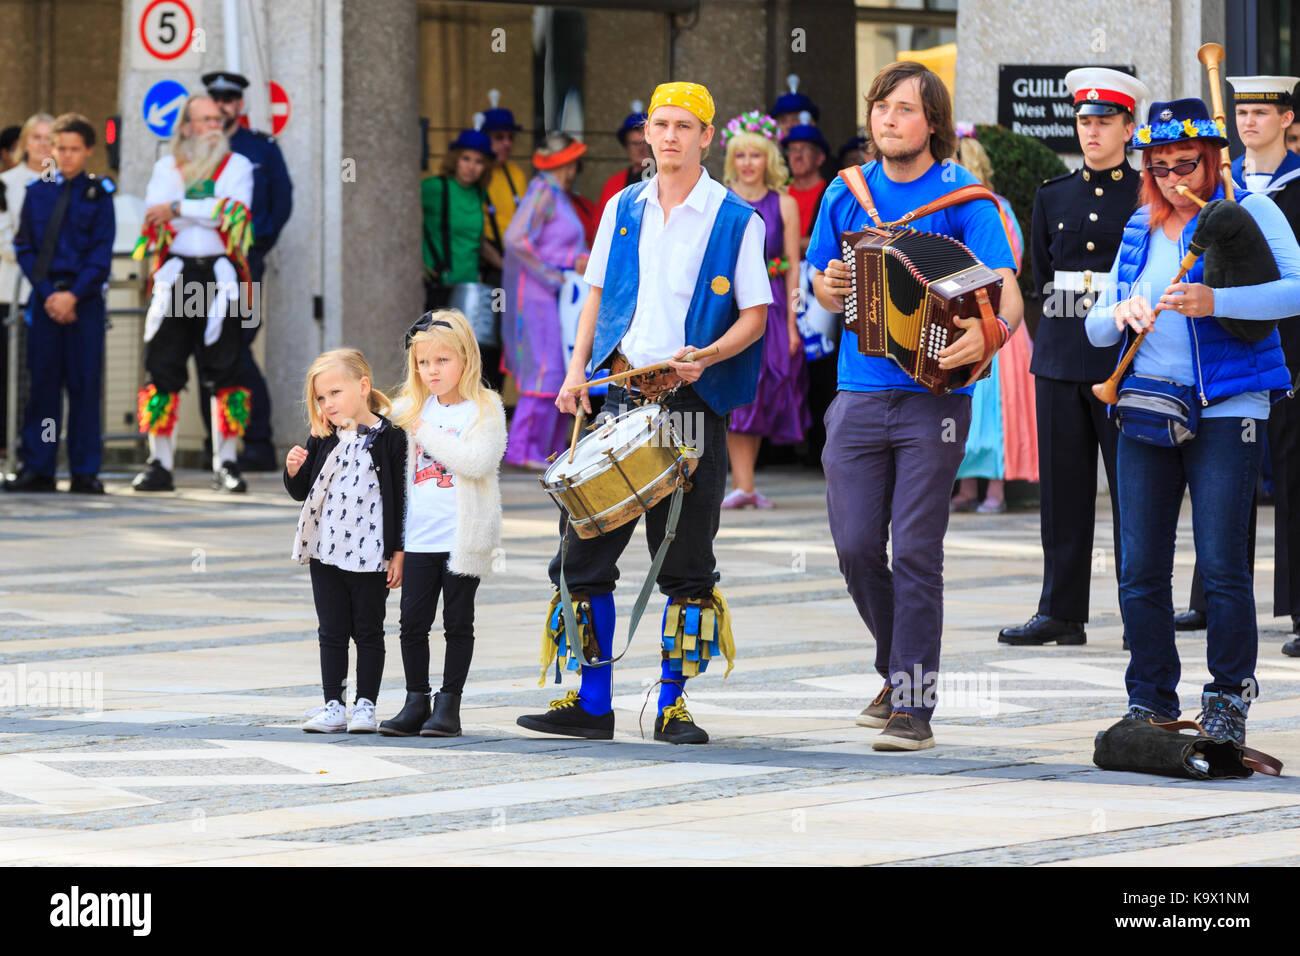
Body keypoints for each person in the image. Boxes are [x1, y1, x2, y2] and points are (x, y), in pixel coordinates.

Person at [516, 81, 770, 744]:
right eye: (661, 124)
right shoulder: (623, 206)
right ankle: (592, 701)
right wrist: (576, 374)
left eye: (685, 125)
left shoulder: (737, 218)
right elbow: (597, 292)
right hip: (622, 393)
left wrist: (708, 355)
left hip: (689, 402)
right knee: (584, 547)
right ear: (648, 133)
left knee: (685, 557)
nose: (671, 136)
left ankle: (672, 705)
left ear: (706, 136)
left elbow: (756, 316)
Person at [810, 60, 1022, 750]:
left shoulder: (968, 199)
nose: (888, 119)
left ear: (932, 122)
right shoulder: (845, 194)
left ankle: (913, 706)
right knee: (854, 546)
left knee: (920, 550)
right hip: (858, 391)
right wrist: (830, 284)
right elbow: (821, 288)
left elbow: (1006, 293)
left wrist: (990, 334)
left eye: (904, 109)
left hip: (936, 398)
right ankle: (895, 667)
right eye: (881, 107)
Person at [1084, 97, 1300, 744]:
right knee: (1140, 567)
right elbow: (1095, 326)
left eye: (1188, 164)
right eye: (1160, 165)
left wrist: (1216, 299)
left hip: (1227, 408)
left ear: (1210, 159)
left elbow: (1296, 288)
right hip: (1147, 405)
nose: (1175, 177)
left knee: (1224, 564)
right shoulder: (1137, 228)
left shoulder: (1250, 212)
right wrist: (1119, 313)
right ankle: (1149, 698)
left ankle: (1228, 699)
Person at [998, 68, 1149, 647]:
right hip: (1060, 359)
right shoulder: (1052, 194)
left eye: (1104, 122)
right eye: (1085, 121)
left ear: (1127, 127)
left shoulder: (1144, 194)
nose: (1091, 131)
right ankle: (1061, 610)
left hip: (1124, 363)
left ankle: (1140, 612)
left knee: (1135, 494)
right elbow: (1041, 279)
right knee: (1062, 494)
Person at [1176, 75, 1300, 652]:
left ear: (1287, 119)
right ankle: (1211, 598)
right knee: (1225, 482)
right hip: (1228, 346)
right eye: (1242, 111)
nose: (1249, 121)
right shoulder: (1220, 183)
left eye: (1261, 112)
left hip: (1292, 343)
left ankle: (1299, 608)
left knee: (1295, 477)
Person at [379, 310, 506, 737]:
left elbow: (478, 461)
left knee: (457, 622)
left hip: (462, 539)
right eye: (422, 363)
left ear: (466, 358)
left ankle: (448, 706)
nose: (431, 371)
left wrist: (422, 431)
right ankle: (416, 700)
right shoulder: (411, 408)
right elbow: (373, 429)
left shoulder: (484, 408)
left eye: (442, 361)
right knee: (411, 623)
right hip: (417, 538)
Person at [131, 95, 255, 494]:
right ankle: (159, 464)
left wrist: (179, 207)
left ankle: (228, 463)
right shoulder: (166, 166)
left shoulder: (237, 165)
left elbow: (234, 211)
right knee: (162, 366)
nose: (214, 126)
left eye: (218, 119)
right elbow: (153, 212)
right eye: (204, 120)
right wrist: (199, 207)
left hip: (222, 275)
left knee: (228, 369)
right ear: (185, 127)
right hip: (177, 275)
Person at [285, 348, 407, 734]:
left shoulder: (391, 438)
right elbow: (303, 491)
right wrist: (293, 472)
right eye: (321, 398)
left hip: (371, 555)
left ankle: (365, 706)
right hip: (326, 551)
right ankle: (333, 705)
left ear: (363, 386)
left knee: (369, 629)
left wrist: (399, 551)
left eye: (335, 393)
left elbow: (401, 498)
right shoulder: (322, 437)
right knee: (331, 630)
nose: (328, 403)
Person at [3, 114, 114, 494]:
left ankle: (84, 470)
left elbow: (101, 253)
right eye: (60, 148)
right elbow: (25, 247)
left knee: (84, 386)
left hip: (83, 301)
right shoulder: (38, 192)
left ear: (88, 151)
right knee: (45, 386)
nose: (65, 156)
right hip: (47, 300)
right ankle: (41, 466)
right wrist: (50, 293)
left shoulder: (99, 195)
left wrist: (73, 295)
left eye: (73, 149)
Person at [202, 70, 295, 473]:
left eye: (229, 99)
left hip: (243, 267)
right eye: (215, 99)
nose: (222, 106)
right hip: (200, 264)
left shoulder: (261, 149)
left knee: (237, 345)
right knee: (205, 348)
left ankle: (255, 440)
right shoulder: (199, 149)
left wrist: (255, 245)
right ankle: (217, 441)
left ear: (240, 104)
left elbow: (281, 202)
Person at [720, 110, 807, 508]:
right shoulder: (719, 200)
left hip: (769, 307)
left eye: (756, 155)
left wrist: (792, 324)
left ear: (768, 159)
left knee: (761, 391)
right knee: (736, 389)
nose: (748, 163)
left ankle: (745, 483)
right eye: (741, 156)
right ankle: (742, 484)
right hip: (728, 305)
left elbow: (792, 270)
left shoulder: (785, 204)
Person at [950, 127, 1037, 514]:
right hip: (959, 316)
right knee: (966, 404)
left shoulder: (993, 207)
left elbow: (1010, 264)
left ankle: (997, 489)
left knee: (994, 408)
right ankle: (967, 488)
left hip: (995, 314)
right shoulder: (943, 207)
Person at [501, 132, 590, 469]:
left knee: (557, 371)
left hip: (555, 294)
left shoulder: (556, 194)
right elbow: (516, 239)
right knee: (544, 369)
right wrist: (553, 272)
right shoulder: (543, 191)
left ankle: (549, 450)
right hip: (537, 293)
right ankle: (523, 450)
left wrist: (572, 260)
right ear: (568, 161)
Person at [423, 127, 502, 389]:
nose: (471, 167)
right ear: (455, 159)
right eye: (466, 159)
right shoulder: (435, 187)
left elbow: (477, 241)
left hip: (470, 292)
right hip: (440, 288)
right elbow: (400, 220)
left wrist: (509, 268)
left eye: (479, 162)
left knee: (469, 362)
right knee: (438, 359)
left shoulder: (479, 194)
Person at [0, 114, 55, 452]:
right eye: (36, 138)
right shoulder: (6, 183)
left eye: (50, 139)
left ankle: (42, 446)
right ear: (24, 143)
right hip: (11, 292)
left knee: (44, 379)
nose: (43, 145)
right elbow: (6, 241)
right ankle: (6, 447)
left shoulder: (63, 183)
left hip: (53, 295)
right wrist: (41, 258)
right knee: (8, 376)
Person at [481, 92, 526, 285]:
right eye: (499, 137)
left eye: (510, 137)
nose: (507, 143)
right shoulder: (477, 175)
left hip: (516, 262)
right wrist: (501, 263)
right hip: (488, 265)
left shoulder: (516, 173)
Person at [596, 103, 650, 218]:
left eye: (644, 142)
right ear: (626, 147)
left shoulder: (667, 179)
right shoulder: (613, 184)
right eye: (635, 144)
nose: (640, 148)